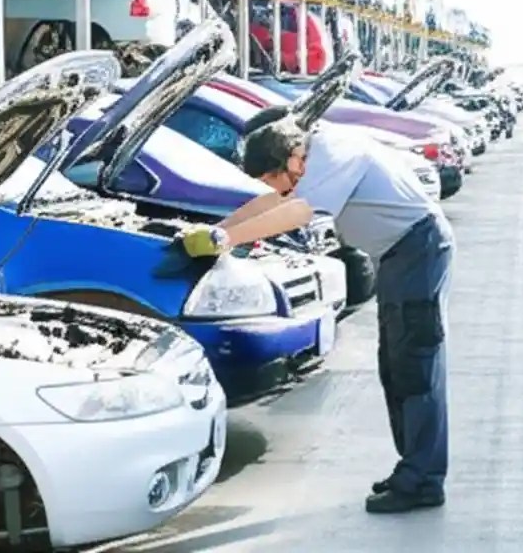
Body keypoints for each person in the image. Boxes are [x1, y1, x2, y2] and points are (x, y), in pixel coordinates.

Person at [177, 106, 454, 514]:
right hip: (401, 256)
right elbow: (273, 200)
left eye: (277, 176)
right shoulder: (308, 156)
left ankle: (423, 479)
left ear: (292, 159)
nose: (280, 187)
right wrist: (220, 229)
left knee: (415, 364)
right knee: (396, 366)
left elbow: (296, 212)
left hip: (418, 251)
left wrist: (226, 237)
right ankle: (412, 468)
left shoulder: (332, 155)